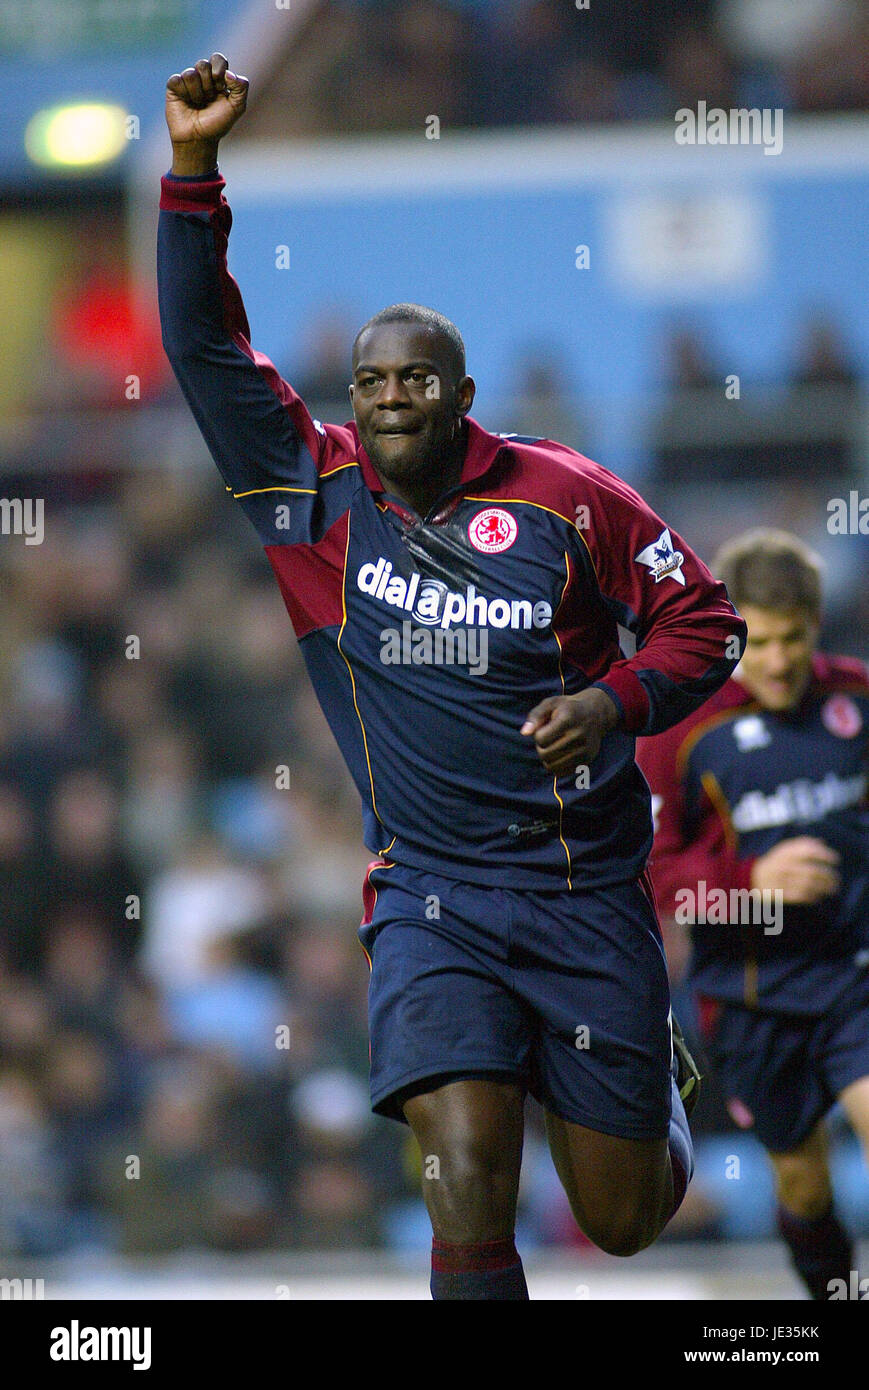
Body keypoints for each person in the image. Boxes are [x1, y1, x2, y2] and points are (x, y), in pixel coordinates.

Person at [158, 53, 745, 1299]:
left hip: (584, 891)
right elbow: (205, 348)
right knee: (466, 1174)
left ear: (463, 396)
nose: (388, 402)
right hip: (429, 895)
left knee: (622, 1218)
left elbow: (707, 625)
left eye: (414, 381)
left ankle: (659, 1081)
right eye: (368, 384)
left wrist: (610, 703)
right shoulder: (310, 495)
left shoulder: (567, 498)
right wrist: (193, 173)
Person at [636, 529, 869, 1301]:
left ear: (814, 624)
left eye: (792, 638)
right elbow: (662, 880)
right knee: (802, 1186)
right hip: (749, 995)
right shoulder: (679, 732)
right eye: (759, 642)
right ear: (732, 631)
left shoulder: (854, 700)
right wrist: (750, 881)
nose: (776, 660)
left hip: (852, 976)